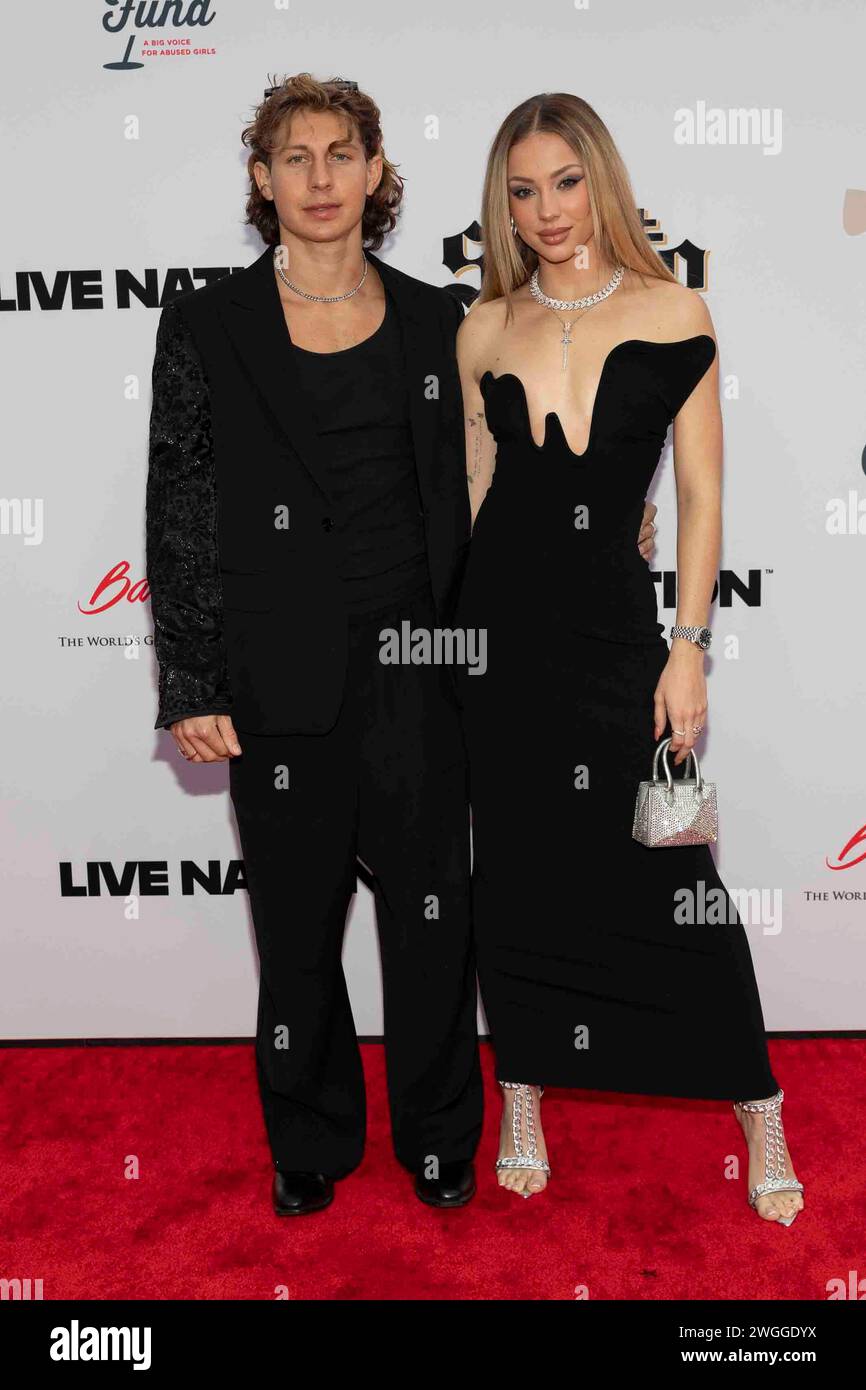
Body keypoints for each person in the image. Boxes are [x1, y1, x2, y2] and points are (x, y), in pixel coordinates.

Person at [144, 73, 658, 1217]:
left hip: (425, 676)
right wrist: (189, 675)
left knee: (435, 922)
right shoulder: (206, 325)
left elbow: (509, 465)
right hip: (276, 681)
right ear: (261, 178)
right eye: (294, 157)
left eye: (340, 155)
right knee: (294, 934)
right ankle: (310, 1140)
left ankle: (437, 1138)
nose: (318, 179)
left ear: (375, 174)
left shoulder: (440, 320)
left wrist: (605, 507)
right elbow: (178, 508)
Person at [454, 92, 805, 1226]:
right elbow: (473, 495)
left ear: (599, 180)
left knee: (673, 879)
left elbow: (699, 495)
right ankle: (520, 1088)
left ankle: (756, 1102)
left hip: (615, 633)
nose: (544, 210)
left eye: (563, 181)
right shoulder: (482, 327)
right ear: (500, 205)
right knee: (512, 870)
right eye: (520, 190)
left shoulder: (673, 308)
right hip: (499, 640)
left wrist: (688, 644)